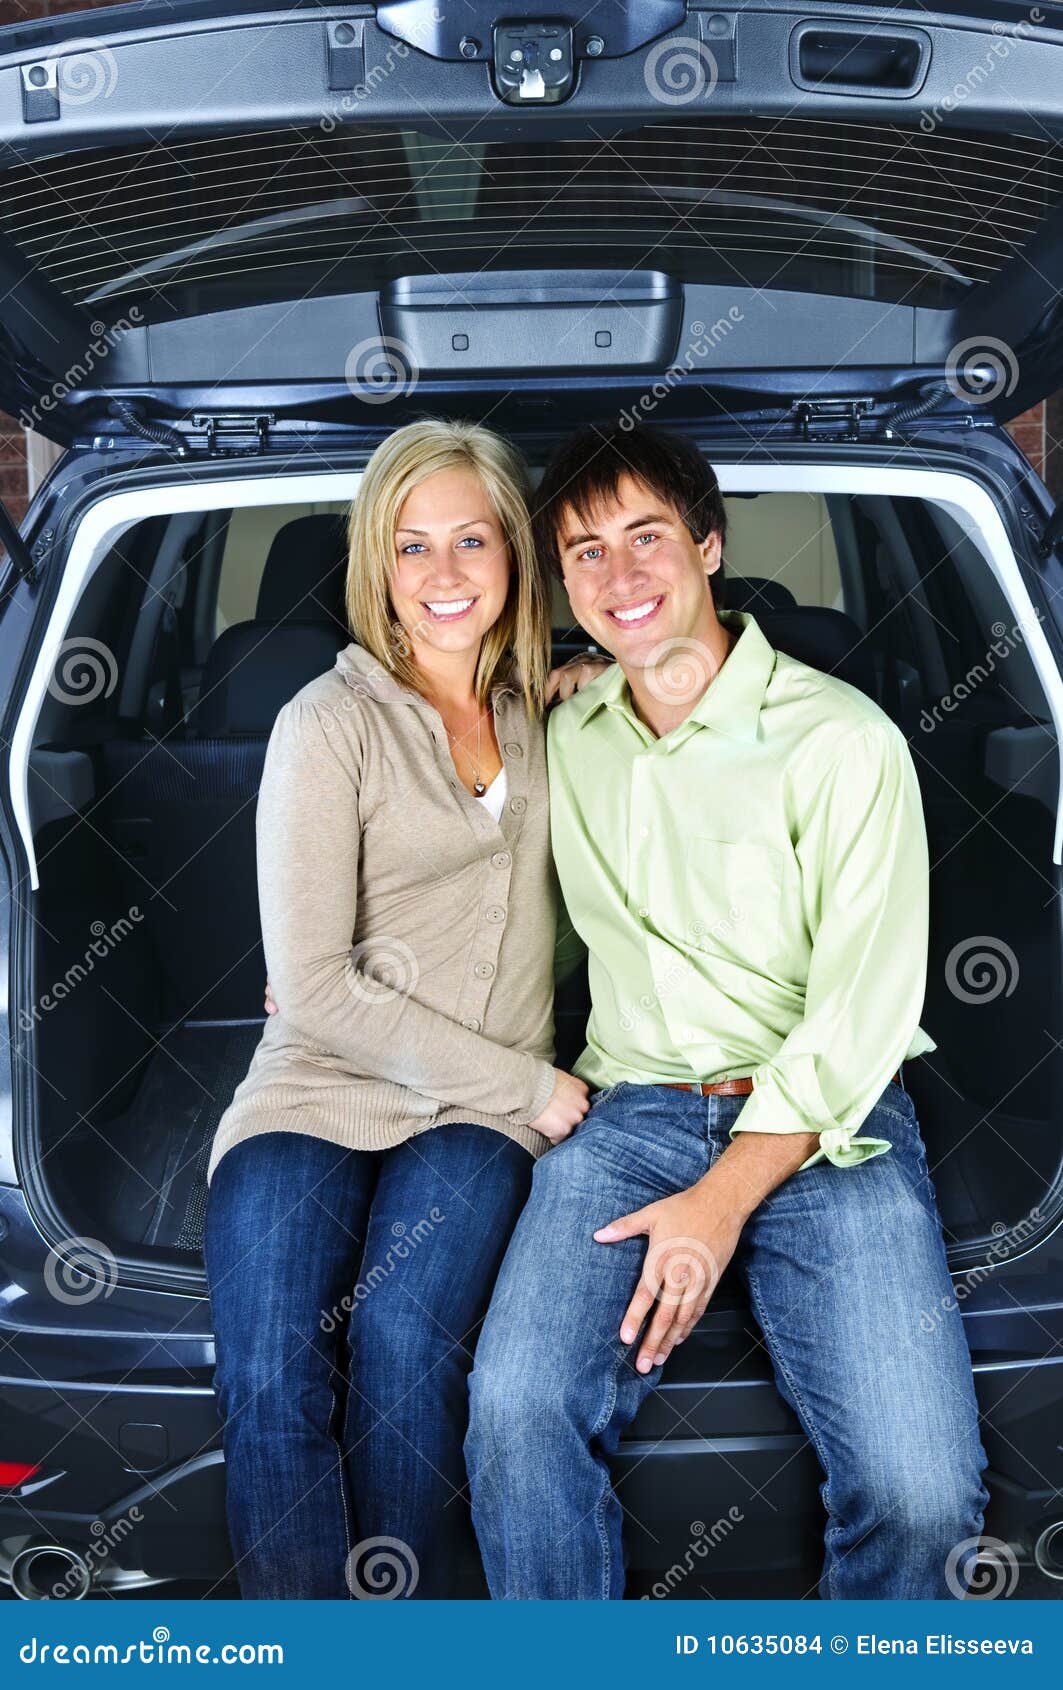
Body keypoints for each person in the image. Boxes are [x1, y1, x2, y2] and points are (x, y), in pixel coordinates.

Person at [464, 422, 989, 1600]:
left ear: (708, 545)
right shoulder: (561, 737)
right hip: (628, 1116)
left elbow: (860, 1018)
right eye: (585, 553)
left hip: (824, 1126)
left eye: (648, 536)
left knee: (922, 1494)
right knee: (513, 1420)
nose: (620, 576)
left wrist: (715, 1204)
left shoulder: (844, 744)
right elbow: (484, 901)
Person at [203, 419, 603, 1600]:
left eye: (470, 540)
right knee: (272, 1374)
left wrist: (592, 673)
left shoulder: (562, 716)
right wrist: (535, 1086)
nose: (442, 575)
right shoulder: (327, 724)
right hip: (321, 1086)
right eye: (412, 546)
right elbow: (317, 987)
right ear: (376, 565)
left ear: (514, 557)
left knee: (400, 1352)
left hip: (469, 1118)